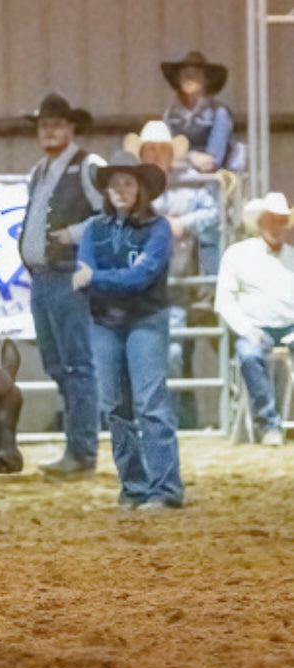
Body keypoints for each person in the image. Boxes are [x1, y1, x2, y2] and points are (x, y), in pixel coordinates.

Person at [73, 151, 182, 510]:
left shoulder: (158, 228)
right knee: (116, 407)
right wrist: (105, 280)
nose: (120, 189)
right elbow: (88, 277)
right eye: (114, 183)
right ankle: (134, 486)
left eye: (127, 182)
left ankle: (165, 489)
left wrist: (99, 278)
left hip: (144, 321)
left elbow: (140, 277)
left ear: (140, 189)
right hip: (108, 323)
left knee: (150, 403)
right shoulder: (95, 230)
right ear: (106, 190)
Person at [18, 94, 104, 478]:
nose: (49, 130)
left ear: (71, 128)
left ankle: (82, 451)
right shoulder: (39, 171)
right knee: (59, 364)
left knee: (75, 365)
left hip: (69, 275)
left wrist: (72, 234)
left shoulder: (89, 167)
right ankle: (78, 446)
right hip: (43, 276)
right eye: (44, 125)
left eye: (56, 124)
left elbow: (112, 215)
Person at [126, 120, 220, 428]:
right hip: (137, 290)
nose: (155, 155)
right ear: (141, 154)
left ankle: (177, 422)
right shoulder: (128, 188)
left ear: (170, 154)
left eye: (161, 150)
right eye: (149, 149)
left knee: (176, 353)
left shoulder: (190, 185)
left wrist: (184, 224)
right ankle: (147, 422)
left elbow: (215, 214)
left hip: (176, 286)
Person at [215, 193, 294, 447]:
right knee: (249, 355)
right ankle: (268, 424)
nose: (276, 227)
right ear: (260, 223)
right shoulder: (238, 255)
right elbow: (224, 301)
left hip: (291, 327)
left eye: (281, 221)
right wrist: (246, 329)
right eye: (271, 220)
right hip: (255, 328)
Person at [161, 51, 235, 173]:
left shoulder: (219, 113)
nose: (189, 78)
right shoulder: (170, 115)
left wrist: (181, 158)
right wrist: (191, 157)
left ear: (206, 80)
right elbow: (166, 158)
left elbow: (213, 161)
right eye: (185, 74)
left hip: (214, 182)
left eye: (195, 74)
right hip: (179, 181)